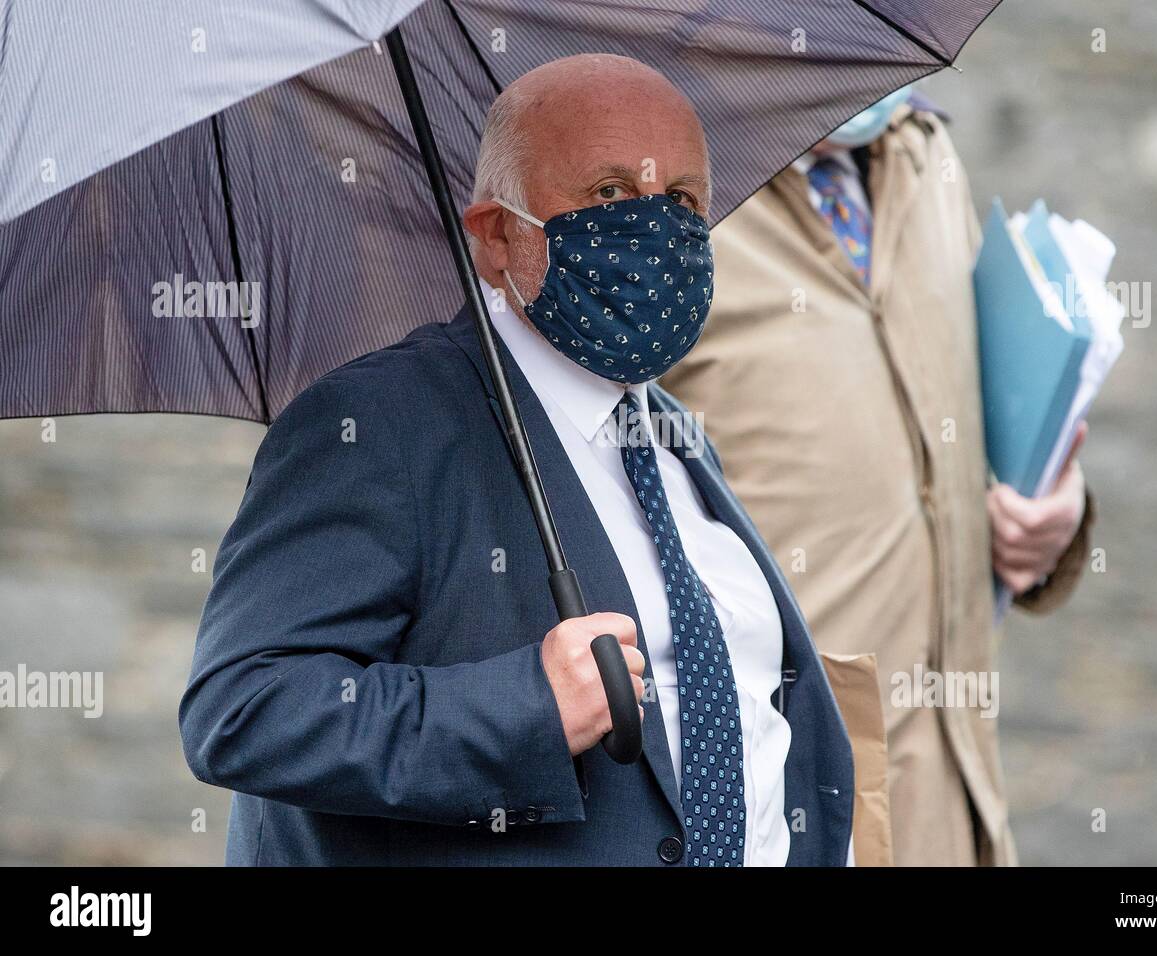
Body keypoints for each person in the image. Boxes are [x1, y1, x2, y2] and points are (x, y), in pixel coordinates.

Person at [179, 54, 854, 867]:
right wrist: (528, 707)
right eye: (607, 194)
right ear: (498, 235)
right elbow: (244, 710)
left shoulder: (676, 438)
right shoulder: (378, 424)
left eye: (681, 199)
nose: (655, 226)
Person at [660, 87, 1095, 866]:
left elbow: (959, 439)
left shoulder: (923, 149)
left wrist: (1054, 524)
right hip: (791, 825)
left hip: (959, 812)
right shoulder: (672, 208)